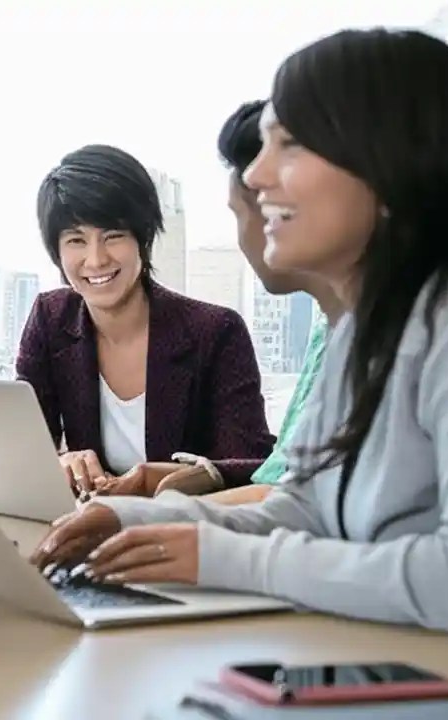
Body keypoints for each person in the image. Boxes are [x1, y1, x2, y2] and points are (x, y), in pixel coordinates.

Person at [31, 29, 448, 658]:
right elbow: (303, 510)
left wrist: (216, 556)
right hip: (403, 655)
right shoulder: (367, 321)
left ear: (382, 158)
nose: (257, 177)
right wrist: (135, 519)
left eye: (288, 145)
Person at [15, 144, 274, 500]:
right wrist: (61, 461)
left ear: (143, 238)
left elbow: (253, 466)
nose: (96, 259)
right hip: (91, 529)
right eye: (76, 240)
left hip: (187, 533)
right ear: (57, 252)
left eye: (113, 236)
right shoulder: (50, 318)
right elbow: (22, 451)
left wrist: (164, 479)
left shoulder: (215, 332)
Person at [121, 100, 345, 506]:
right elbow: (283, 482)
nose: (96, 259)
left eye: (246, 209)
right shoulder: (328, 328)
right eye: (76, 241)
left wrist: (142, 517)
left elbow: (294, 504)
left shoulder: (400, 334)